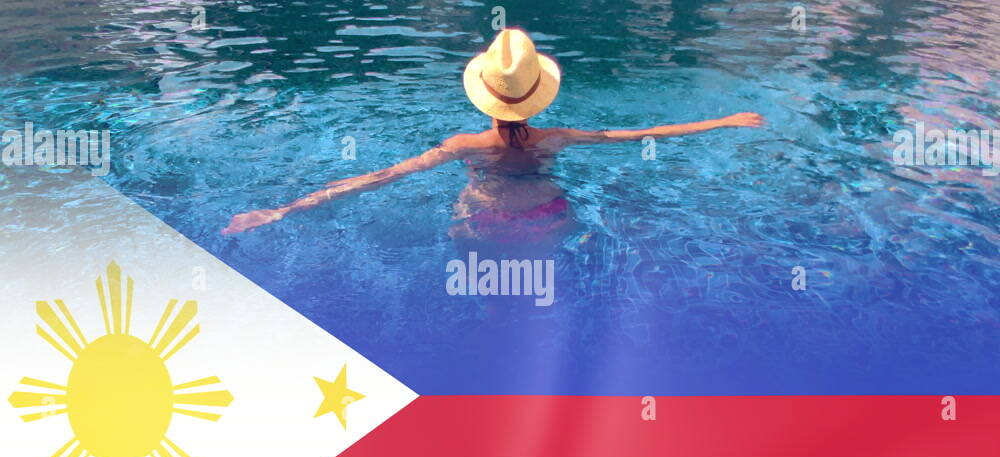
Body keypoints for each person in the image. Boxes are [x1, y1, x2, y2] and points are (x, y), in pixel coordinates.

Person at [223, 28, 764, 236]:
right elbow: (647, 132)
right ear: (538, 94)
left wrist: (285, 209)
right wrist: (723, 120)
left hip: (482, 216)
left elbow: (382, 177)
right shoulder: (559, 137)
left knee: (487, 299)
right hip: (552, 213)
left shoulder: (464, 146)